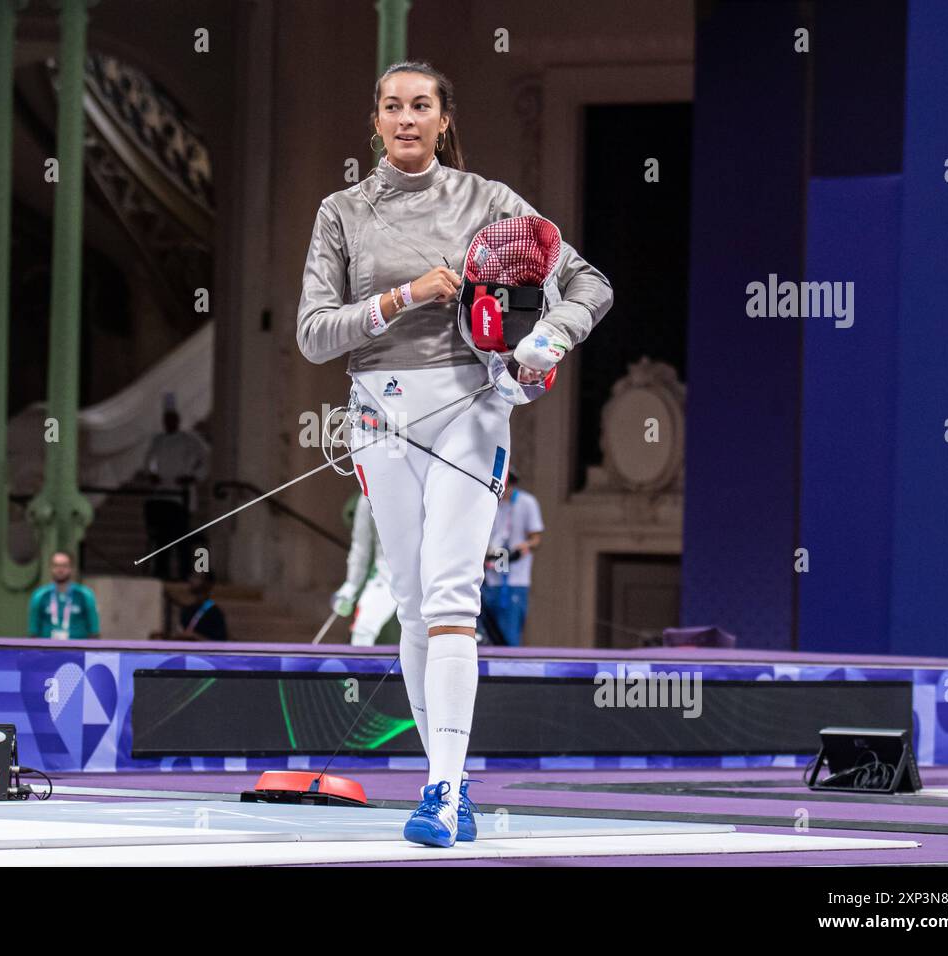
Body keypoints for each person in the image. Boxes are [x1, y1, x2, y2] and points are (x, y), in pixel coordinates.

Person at [296, 62, 612, 846]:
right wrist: (399, 299)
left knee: (449, 601)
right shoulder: (341, 212)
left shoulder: (489, 201)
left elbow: (590, 283)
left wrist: (548, 336)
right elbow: (311, 332)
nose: (407, 119)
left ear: (443, 118)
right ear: (375, 120)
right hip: (378, 416)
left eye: (422, 106)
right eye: (393, 106)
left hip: (469, 413)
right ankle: (446, 779)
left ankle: (441, 792)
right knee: (409, 604)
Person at [141, 401, 210, 579]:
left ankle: (185, 572)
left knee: (182, 537)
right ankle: (161, 571)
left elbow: (206, 459)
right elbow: (148, 462)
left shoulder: (190, 439)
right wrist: (152, 475)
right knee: (162, 537)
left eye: (172, 419)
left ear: (178, 420)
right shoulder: (158, 440)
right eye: (167, 419)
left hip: (180, 497)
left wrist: (193, 476)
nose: (169, 423)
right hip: (162, 494)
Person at [480, 470, 544, 646]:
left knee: (509, 635)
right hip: (490, 576)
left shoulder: (526, 502)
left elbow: (536, 538)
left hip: (515, 579)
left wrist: (526, 546)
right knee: (484, 634)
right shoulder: (489, 500)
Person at [332, 493, 397, 646]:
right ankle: (362, 671)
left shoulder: (429, 482)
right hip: (387, 576)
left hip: (425, 575)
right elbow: (361, 548)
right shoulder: (367, 495)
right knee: (363, 629)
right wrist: (351, 585)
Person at [28, 551, 100, 639]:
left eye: (64, 565)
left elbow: (94, 632)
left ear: (71, 568)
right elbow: (33, 632)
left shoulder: (85, 595)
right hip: (47, 650)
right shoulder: (40, 595)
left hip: (77, 650)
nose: (60, 569)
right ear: (51, 568)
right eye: (56, 565)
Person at [174, 569, 228, 641]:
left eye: (196, 577)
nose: (191, 580)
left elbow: (220, 644)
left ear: (208, 583)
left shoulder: (215, 613)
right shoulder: (186, 610)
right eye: (192, 576)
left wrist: (195, 637)